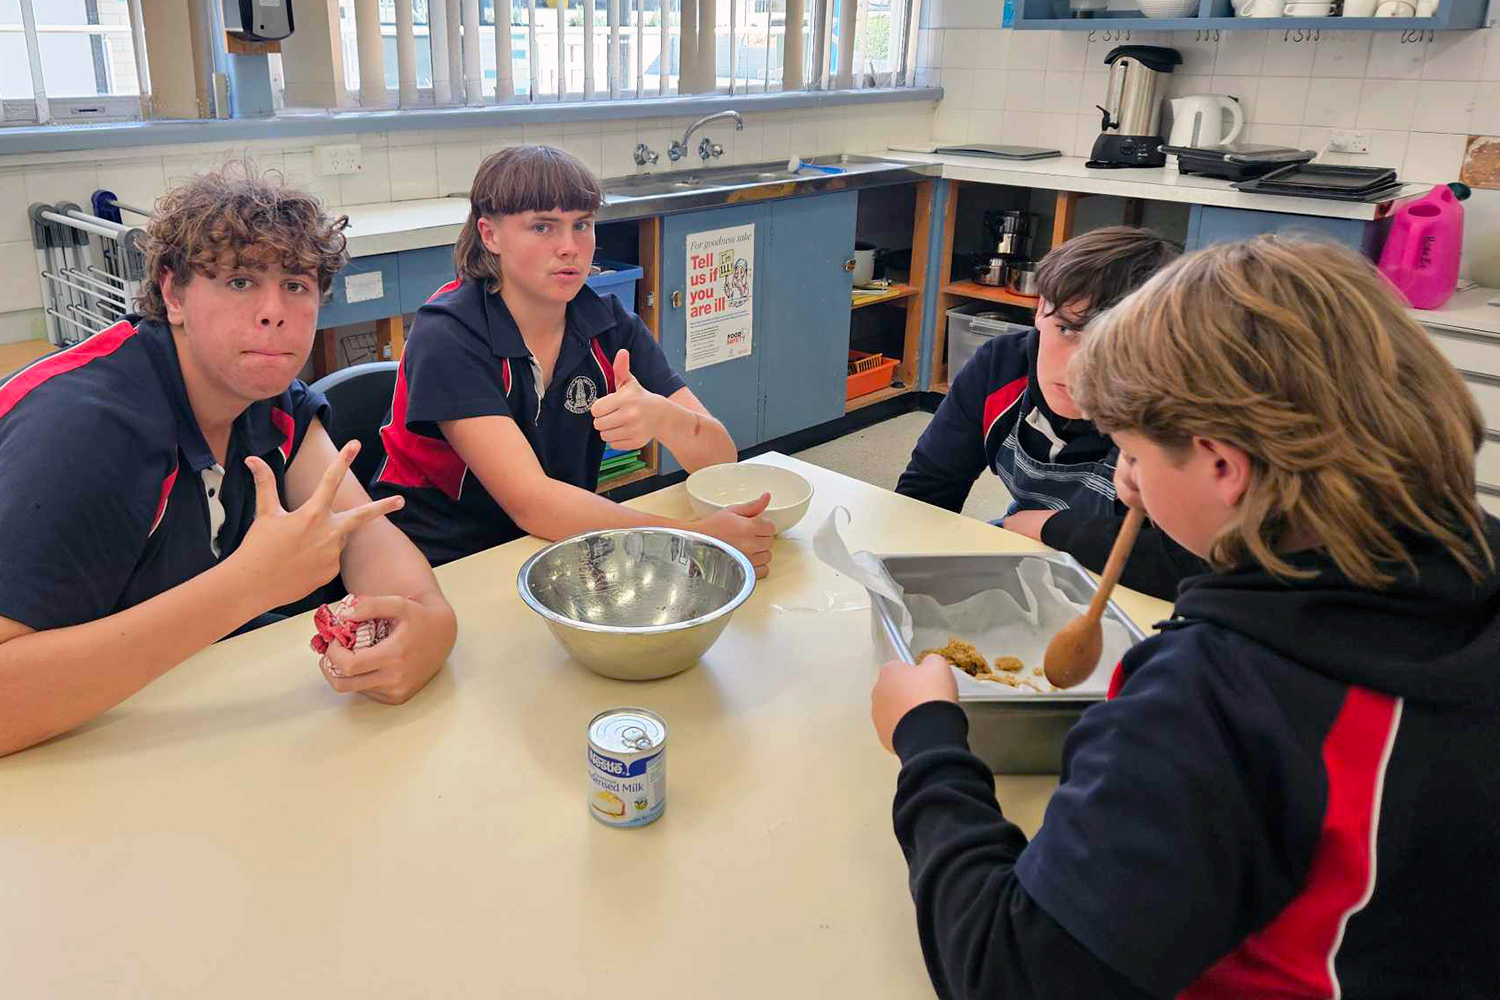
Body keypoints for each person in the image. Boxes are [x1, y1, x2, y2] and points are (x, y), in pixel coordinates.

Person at [871, 237, 1500, 998]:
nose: (1127, 482)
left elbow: (1006, 971)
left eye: (1133, 454)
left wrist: (930, 744)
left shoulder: (1214, 701)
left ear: (1223, 466)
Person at [0, 166, 457, 758]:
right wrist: (249, 584)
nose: (274, 312)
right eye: (240, 282)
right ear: (173, 293)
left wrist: (432, 626)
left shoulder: (272, 404)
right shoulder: (83, 432)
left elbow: (362, 535)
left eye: (297, 284)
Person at [371, 145, 774, 573]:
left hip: (555, 544)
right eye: (543, 227)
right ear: (490, 235)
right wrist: (693, 539)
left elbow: (720, 462)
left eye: (581, 224)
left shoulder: (609, 325)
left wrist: (664, 418)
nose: (569, 247)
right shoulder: (449, 333)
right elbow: (532, 501)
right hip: (443, 561)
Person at [896, 226, 1203, 600]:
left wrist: (1046, 525)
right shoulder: (999, 369)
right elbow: (926, 492)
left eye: (1113, 347)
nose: (1080, 368)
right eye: (1066, 330)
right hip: (1030, 549)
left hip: (1131, 585)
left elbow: (1187, 565)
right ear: (1040, 307)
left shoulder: (1174, 412)